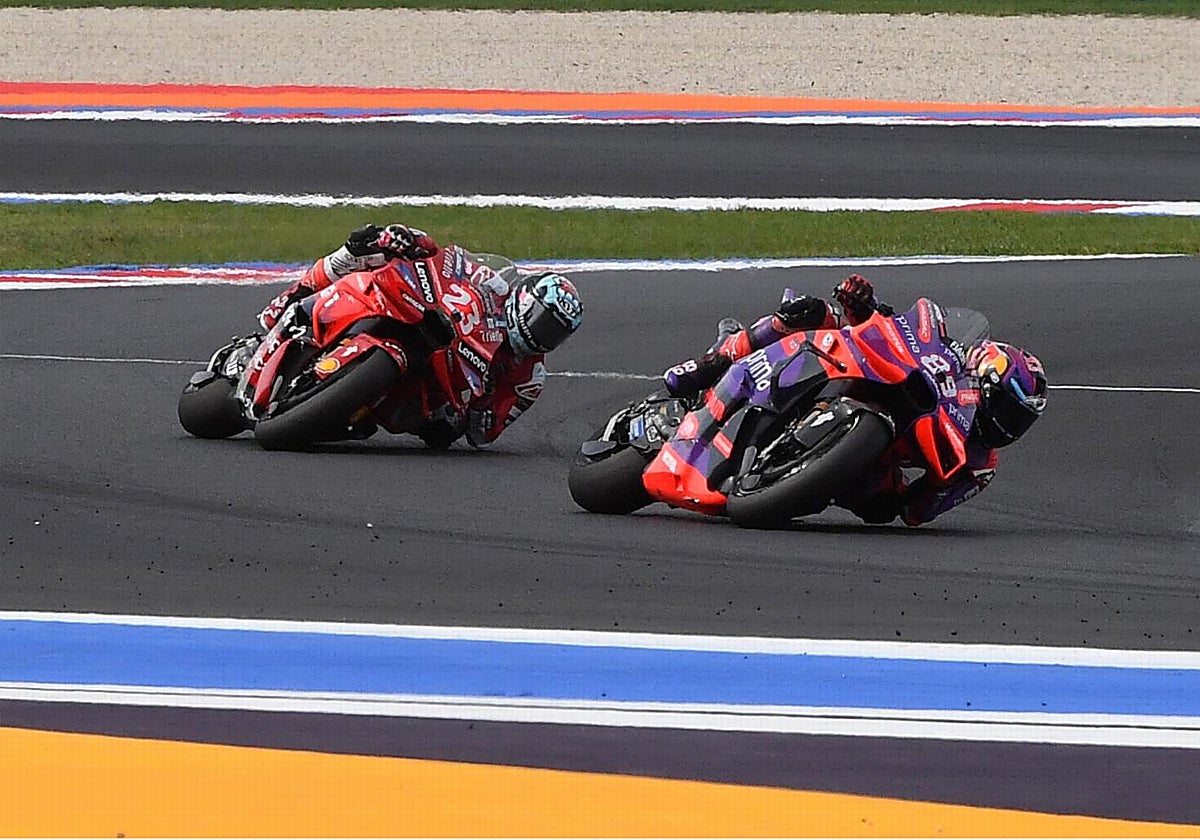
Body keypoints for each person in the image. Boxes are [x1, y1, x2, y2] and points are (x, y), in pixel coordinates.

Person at [661, 274, 1047, 527]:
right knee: (814, 312)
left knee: (880, 507)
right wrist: (862, 304)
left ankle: (792, 471)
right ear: (984, 376)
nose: (1008, 425)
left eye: (1020, 421)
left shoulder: (980, 464)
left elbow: (917, 511)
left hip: (874, 463)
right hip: (861, 372)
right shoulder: (948, 357)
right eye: (1009, 410)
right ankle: (718, 359)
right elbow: (897, 328)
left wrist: (902, 491)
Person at [256, 223, 584, 448]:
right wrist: (409, 240)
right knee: (363, 250)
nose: (544, 334)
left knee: (437, 430)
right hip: (422, 313)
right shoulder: (493, 282)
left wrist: (476, 412)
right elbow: (448, 260)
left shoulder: (530, 378)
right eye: (543, 321)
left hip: (436, 389)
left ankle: (338, 409)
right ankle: (293, 301)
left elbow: (486, 432)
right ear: (524, 299)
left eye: (555, 333)